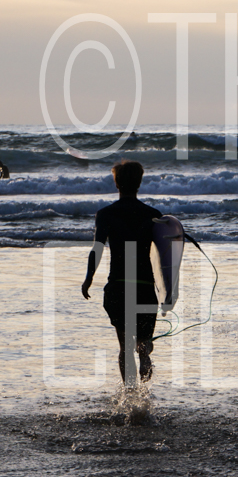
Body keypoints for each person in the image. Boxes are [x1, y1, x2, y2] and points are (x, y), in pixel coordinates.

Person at [82, 160, 162, 383]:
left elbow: (97, 248)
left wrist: (89, 277)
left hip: (118, 285)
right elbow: (164, 257)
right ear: (139, 184)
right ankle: (145, 362)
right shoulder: (153, 214)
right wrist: (167, 289)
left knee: (125, 346)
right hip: (145, 286)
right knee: (143, 345)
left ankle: (130, 395)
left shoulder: (105, 214)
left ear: (116, 184)